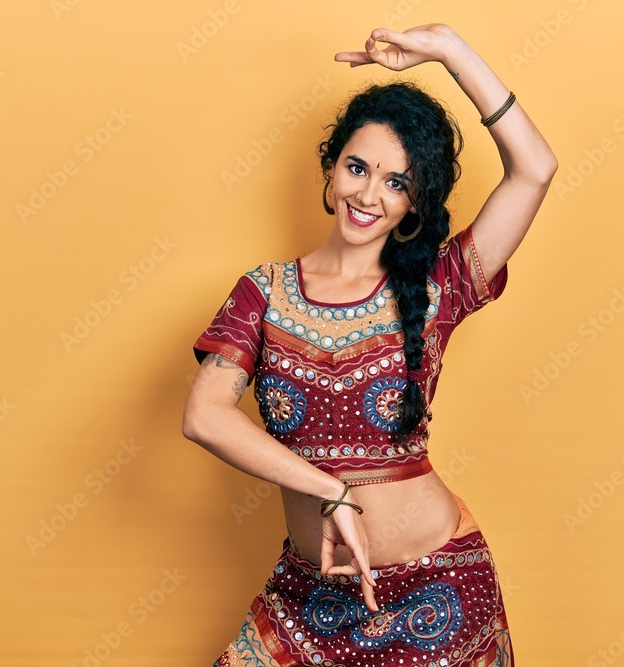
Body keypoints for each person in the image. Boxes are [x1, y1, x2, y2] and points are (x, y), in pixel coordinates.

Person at [183, 22, 557, 667]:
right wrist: (327, 488)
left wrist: (449, 52)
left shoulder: (440, 283)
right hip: (309, 596)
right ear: (332, 172)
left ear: (415, 201)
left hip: (437, 593)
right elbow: (204, 416)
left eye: (396, 182)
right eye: (357, 168)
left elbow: (535, 168)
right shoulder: (264, 291)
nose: (368, 194)